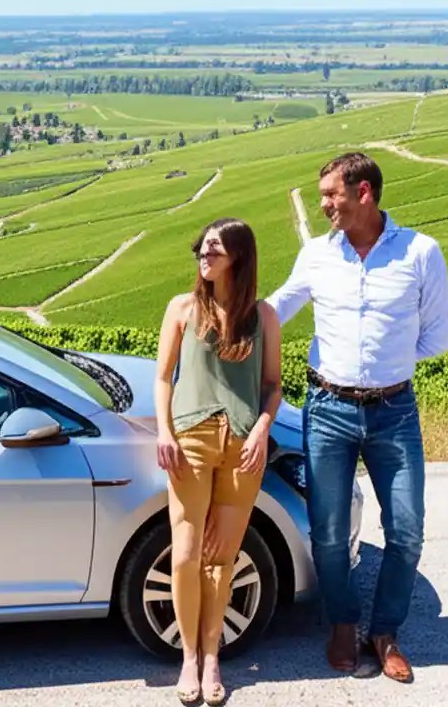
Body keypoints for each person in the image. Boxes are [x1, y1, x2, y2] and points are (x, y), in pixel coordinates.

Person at [266, 152, 448, 682]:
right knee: (327, 531)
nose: (324, 205)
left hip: (395, 410)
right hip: (327, 409)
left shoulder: (421, 252)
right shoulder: (317, 256)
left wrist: (384, 361)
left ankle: (385, 631)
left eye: (331, 195)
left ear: (364, 192)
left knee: (408, 530)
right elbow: (279, 307)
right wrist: (221, 318)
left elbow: (437, 337)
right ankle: (343, 625)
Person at [154, 217, 282, 705]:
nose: (203, 256)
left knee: (220, 560)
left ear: (238, 257)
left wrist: (262, 431)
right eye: (202, 248)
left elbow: (272, 386)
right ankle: (187, 657)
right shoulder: (182, 308)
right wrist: (165, 431)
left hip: (243, 446)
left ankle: (211, 659)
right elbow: (164, 377)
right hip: (190, 440)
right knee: (186, 555)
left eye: (213, 249)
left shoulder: (263, 316)